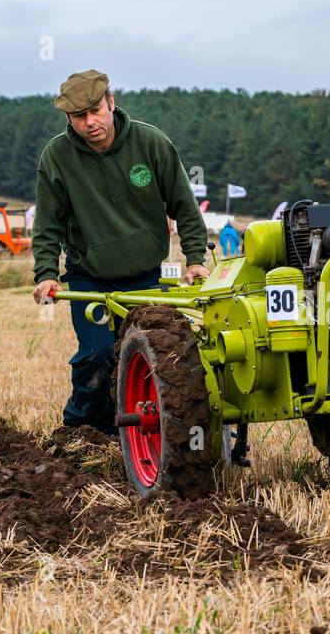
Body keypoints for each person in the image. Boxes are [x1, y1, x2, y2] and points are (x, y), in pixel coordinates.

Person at [31, 69, 209, 435]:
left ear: (111, 103)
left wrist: (195, 260)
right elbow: (47, 223)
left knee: (160, 357)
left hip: (147, 277)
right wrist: (46, 274)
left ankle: (137, 434)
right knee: (97, 356)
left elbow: (184, 205)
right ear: (69, 119)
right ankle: (78, 431)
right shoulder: (57, 158)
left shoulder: (150, 143)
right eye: (79, 116)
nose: (90, 122)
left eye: (96, 110)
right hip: (89, 279)